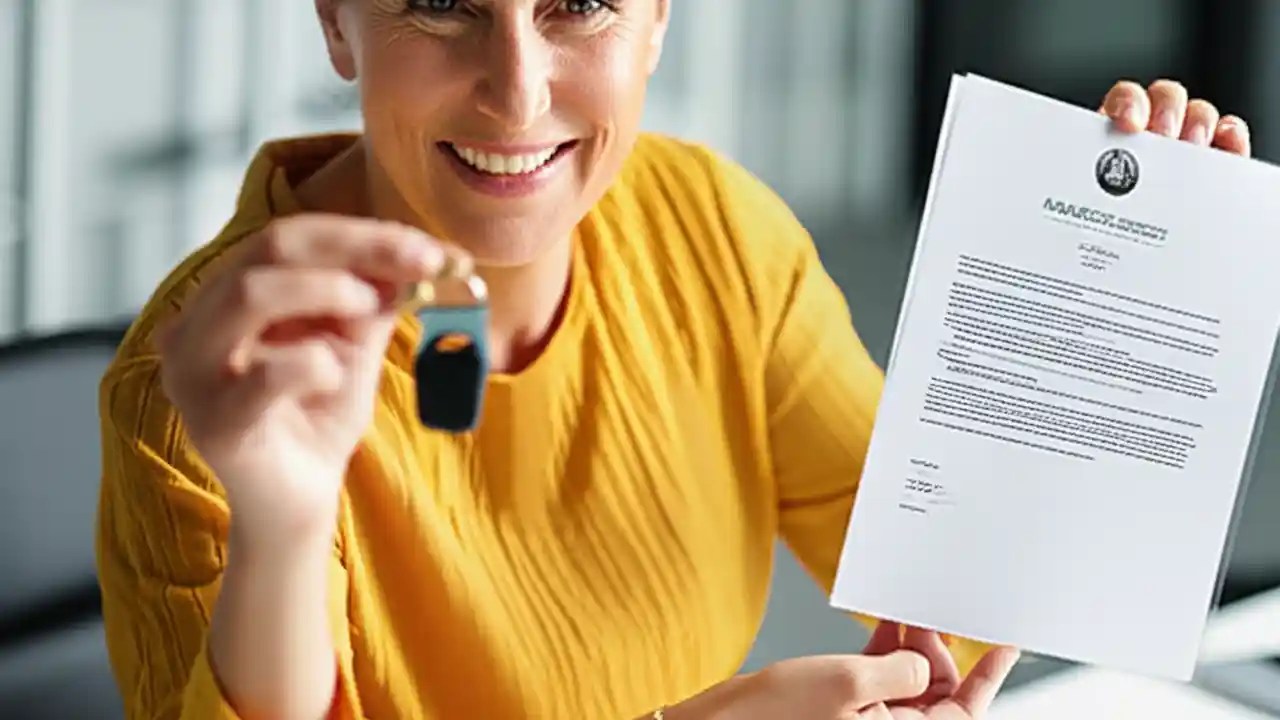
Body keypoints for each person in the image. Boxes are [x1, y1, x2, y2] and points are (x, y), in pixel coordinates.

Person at [93, 1, 1253, 718]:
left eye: (580, 4)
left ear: (658, 18)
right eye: (442, 2)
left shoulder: (712, 232)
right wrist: (285, 529)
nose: (516, 88)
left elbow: (952, 574)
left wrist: (1109, 279)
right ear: (335, 17)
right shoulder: (200, 398)